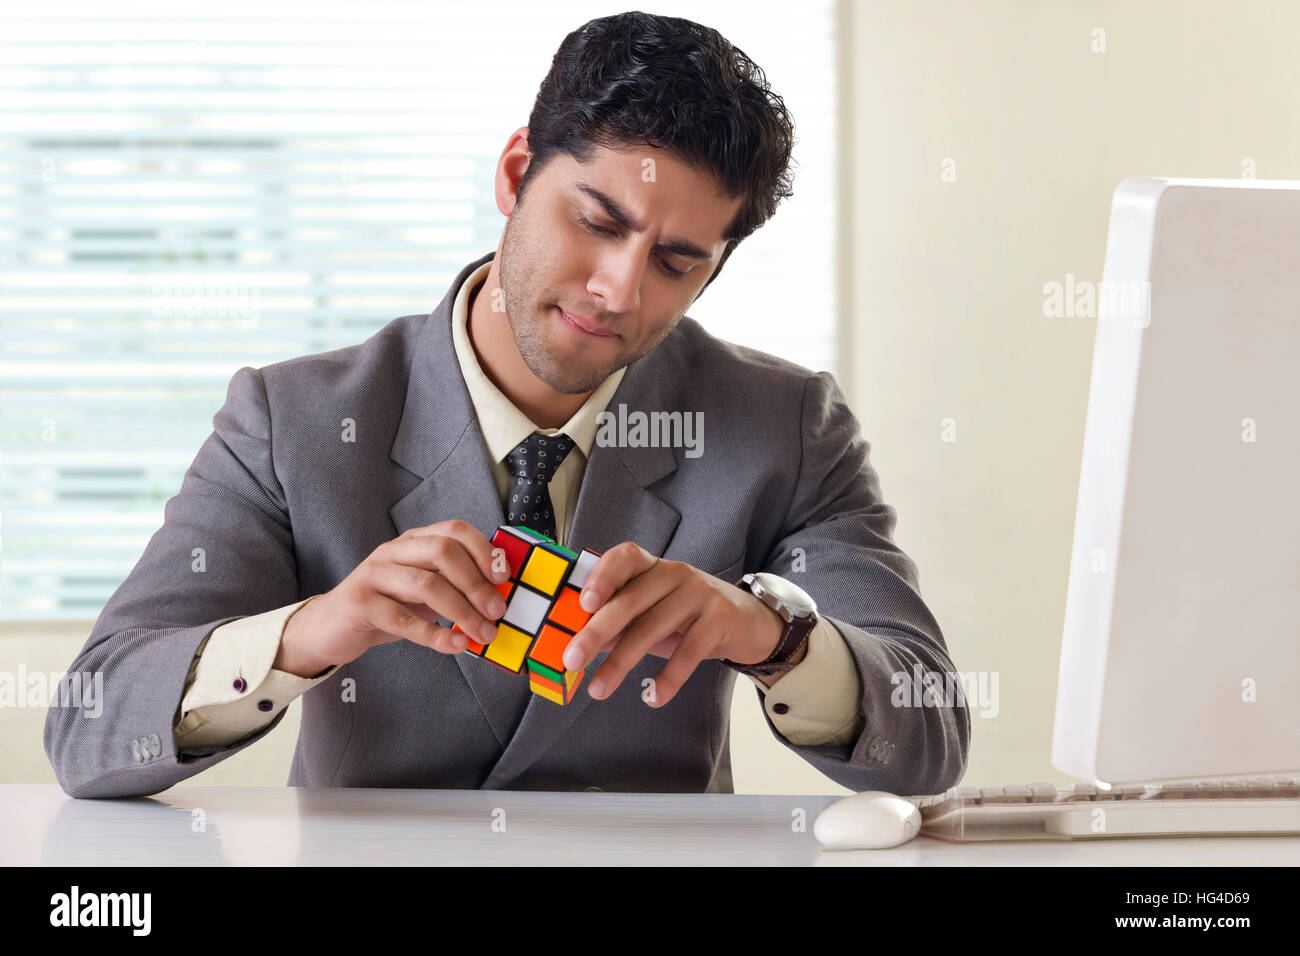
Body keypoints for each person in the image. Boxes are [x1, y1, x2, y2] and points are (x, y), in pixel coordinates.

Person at [45, 11, 969, 799]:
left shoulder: (785, 427)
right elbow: (88, 729)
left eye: (677, 261)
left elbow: (930, 731)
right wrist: (317, 629)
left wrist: (772, 636)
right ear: (516, 172)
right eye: (597, 222)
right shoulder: (291, 420)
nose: (617, 289)